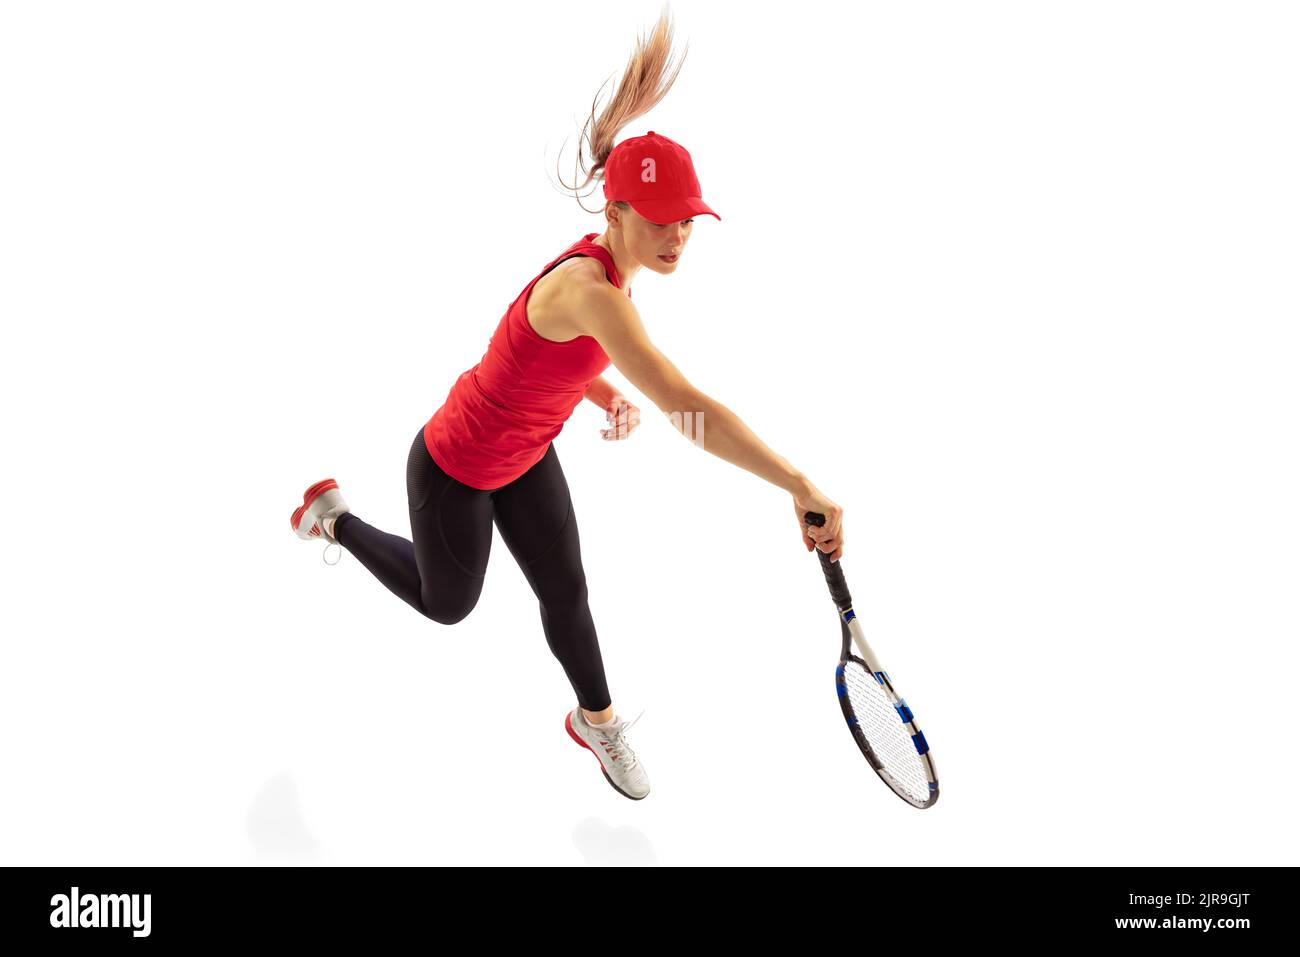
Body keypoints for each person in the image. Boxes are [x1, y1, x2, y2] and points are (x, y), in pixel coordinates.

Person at [289, 10, 845, 801]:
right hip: (454, 466)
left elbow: (539, 357)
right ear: (614, 214)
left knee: (567, 593)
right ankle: (335, 517)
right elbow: (686, 406)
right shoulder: (593, 292)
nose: (677, 237)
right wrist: (798, 482)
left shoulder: (602, 281)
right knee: (449, 607)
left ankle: (597, 719)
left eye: (687, 221)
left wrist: (602, 391)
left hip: (526, 450)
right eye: (659, 222)